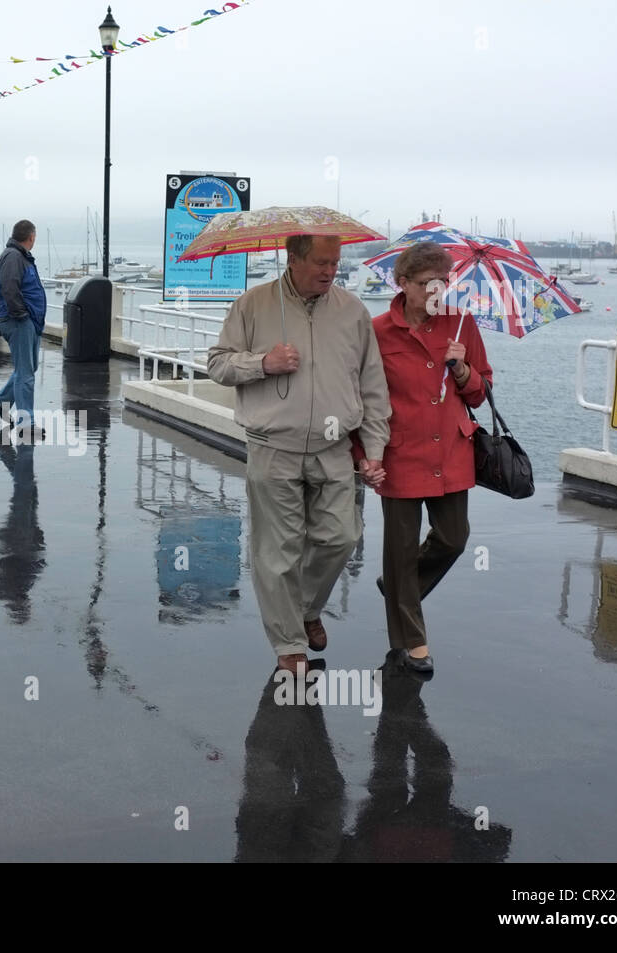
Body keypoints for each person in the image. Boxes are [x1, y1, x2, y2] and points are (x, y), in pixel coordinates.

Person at [207, 234, 390, 675]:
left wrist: (375, 450)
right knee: (278, 551)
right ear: (293, 259)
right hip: (274, 447)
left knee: (342, 536)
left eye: (336, 262)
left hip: (334, 449)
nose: (331, 271)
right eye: (321, 263)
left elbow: (372, 386)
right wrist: (262, 364)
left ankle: (306, 608)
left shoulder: (352, 311)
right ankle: (289, 641)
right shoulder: (253, 304)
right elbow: (217, 364)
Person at [359, 242, 493, 676]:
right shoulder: (377, 332)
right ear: (402, 284)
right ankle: (411, 640)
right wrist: (363, 455)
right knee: (399, 549)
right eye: (426, 284)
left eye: (443, 282)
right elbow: (362, 401)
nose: (437, 291)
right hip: (400, 454)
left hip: (452, 451)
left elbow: (481, 391)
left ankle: (399, 586)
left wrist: (462, 370)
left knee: (454, 537)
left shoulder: (461, 325)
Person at [0, 220, 47, 442]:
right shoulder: (14, 256)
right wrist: (22, 315)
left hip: (27, 321)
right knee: (26, 374)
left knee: (29, 368)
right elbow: (9, 288)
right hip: (19, 321)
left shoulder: (19, 256)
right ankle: (26, 423)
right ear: (31, 237)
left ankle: (2, 401)